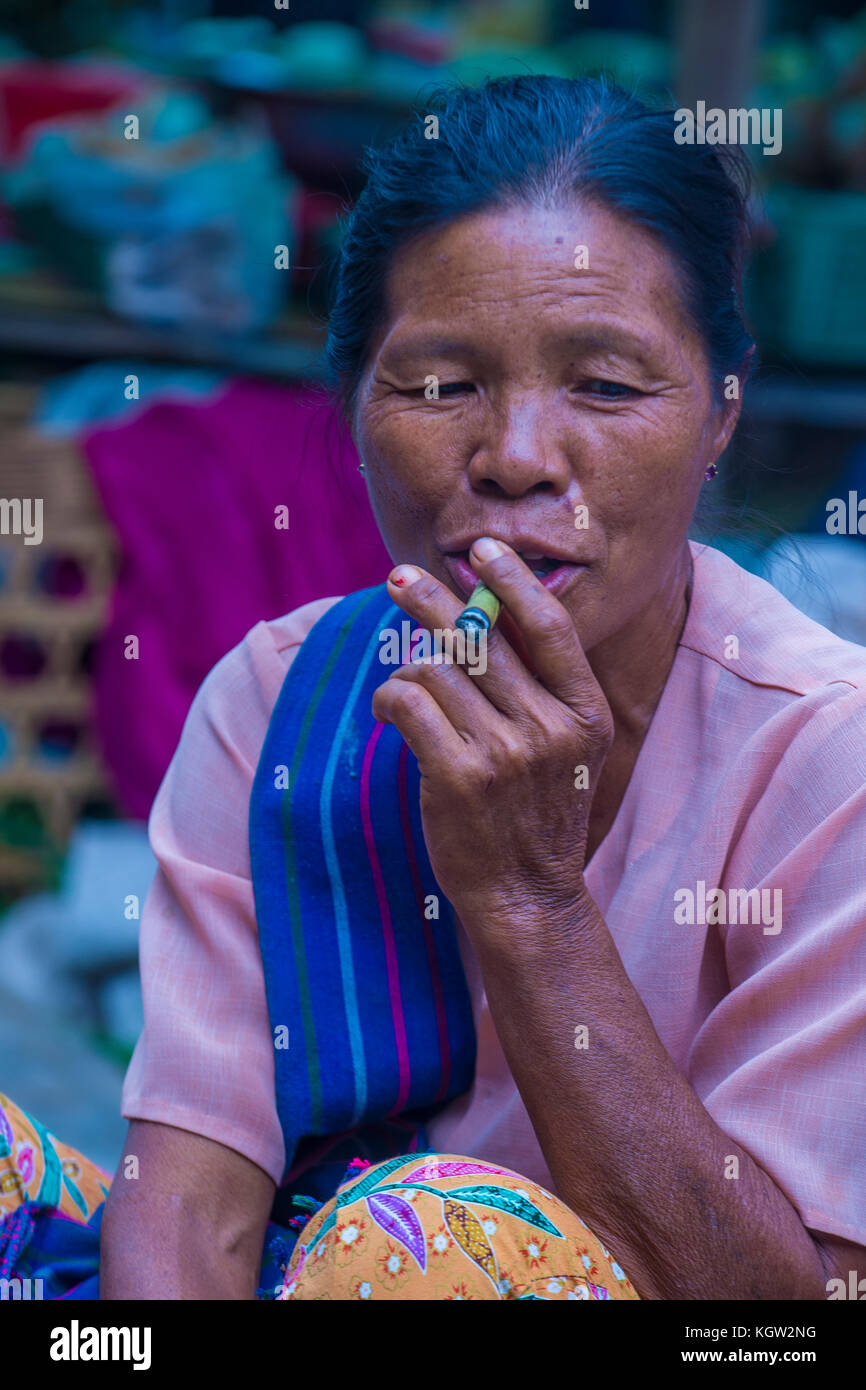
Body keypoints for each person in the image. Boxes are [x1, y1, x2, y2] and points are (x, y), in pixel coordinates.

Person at [3, 74, 864, 1301]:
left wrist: (528, 902)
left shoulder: (827, 757)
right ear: (353, 407)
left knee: (420, 1242)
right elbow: (187, 1214)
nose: (514, 457)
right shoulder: (277, 707)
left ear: (719, 412)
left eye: (606, 385)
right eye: (439, 385)